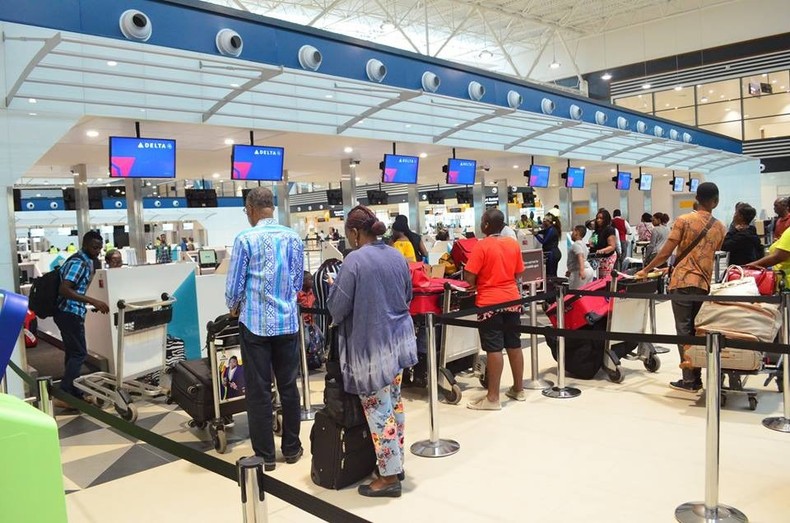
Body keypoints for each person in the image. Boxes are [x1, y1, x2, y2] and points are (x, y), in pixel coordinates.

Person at [326, 205, 417, 498]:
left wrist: (333, 288)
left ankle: (389, 477)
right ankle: (395, 462)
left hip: (372, 349)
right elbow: (407, 295)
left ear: (354, 232)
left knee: (378, 410)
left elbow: (337, 309)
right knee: (394, 404)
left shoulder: (354, 261)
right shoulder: (396, 255)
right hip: (398, 342)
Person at [225, 187, 304, 471]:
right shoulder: (293, 237)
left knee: (258, 390)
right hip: (287, 324)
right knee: (288, 387)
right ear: (271, 206)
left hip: (255, 326)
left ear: (251, 208)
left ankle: (265, 457)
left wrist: (233, 305)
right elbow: (297, 282)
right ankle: (292, 449)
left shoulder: (245, 239)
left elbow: (234, 284)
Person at [637, 182, 726, 393]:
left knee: (683, 330)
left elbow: (666, 252)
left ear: (696, 198)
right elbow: (714, 251)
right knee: (697, 331)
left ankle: (689, 379)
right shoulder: (720, 227)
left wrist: (646, 269)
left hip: (682, 282)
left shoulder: (684, 220)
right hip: (703, 284)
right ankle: (698, 376)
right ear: (716, 201)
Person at [463, 209, 525, 411]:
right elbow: (518, 273)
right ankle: (518, 389)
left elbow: (469, 277)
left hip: (489, 302)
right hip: (512, 299)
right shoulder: (512, 244)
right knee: (514, 345)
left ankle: (493, 398)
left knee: (494, 348)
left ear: (487, 225)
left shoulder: (482, 246)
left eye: (482, 221)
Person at [53, 231, 110, 408]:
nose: (97, 251)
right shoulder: (79, 263)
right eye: (94, 247)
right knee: (79, 353)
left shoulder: (81, 260)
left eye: (100, 247)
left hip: (67, 313)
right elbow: (65, 289)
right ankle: (64, 393)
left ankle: (74, 392)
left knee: (72, 353)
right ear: (85, 244)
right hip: (69, 313)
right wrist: (94, 301)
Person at [591, 210, 618, 278]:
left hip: (607, 258)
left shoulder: (609, 230)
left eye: (601, 218)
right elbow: (593, 243)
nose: (598, 220)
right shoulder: (596, 231)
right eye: (597, 218)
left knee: (605, 279)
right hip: (598, 259)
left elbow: (612, 246)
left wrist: (602, 250)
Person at [567, 225, 594, 289]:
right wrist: (570, 270)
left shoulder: (576, 244)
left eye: (573, 231)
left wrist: (581, 270)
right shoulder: (583, 244)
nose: (571, 233)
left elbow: (580, 256)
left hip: (579, 271)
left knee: (574, 294)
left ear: (577, 232)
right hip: (588, 270)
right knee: (585, 293)